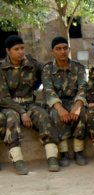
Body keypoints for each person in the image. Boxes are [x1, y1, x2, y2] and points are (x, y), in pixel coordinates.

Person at [0, 35, 60, 173]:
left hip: (29, 103)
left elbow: (46, 71)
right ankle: (17, 160)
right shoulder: (2, 69)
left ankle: (52, 157)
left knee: (44, 116)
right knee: (12, 119)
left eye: (22, 48)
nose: (20, 52)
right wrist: (22, 112)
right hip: (10, 106)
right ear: (8, 51)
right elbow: (3, 98)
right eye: (16, 49)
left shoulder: (31, 63)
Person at [42, 36, 88, 168]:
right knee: (55, 115)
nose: (62, 51)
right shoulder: (47, 69)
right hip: (57, 103)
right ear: (53, 51)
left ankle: (79, 151)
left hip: (74, 101)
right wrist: (60, 108)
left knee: (83, 112)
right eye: (58, 49)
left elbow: (83, 87)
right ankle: (64, 153)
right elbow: (48, 90)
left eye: (65, 48)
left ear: (69, 49)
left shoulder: (79, 68)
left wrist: (77, 106)